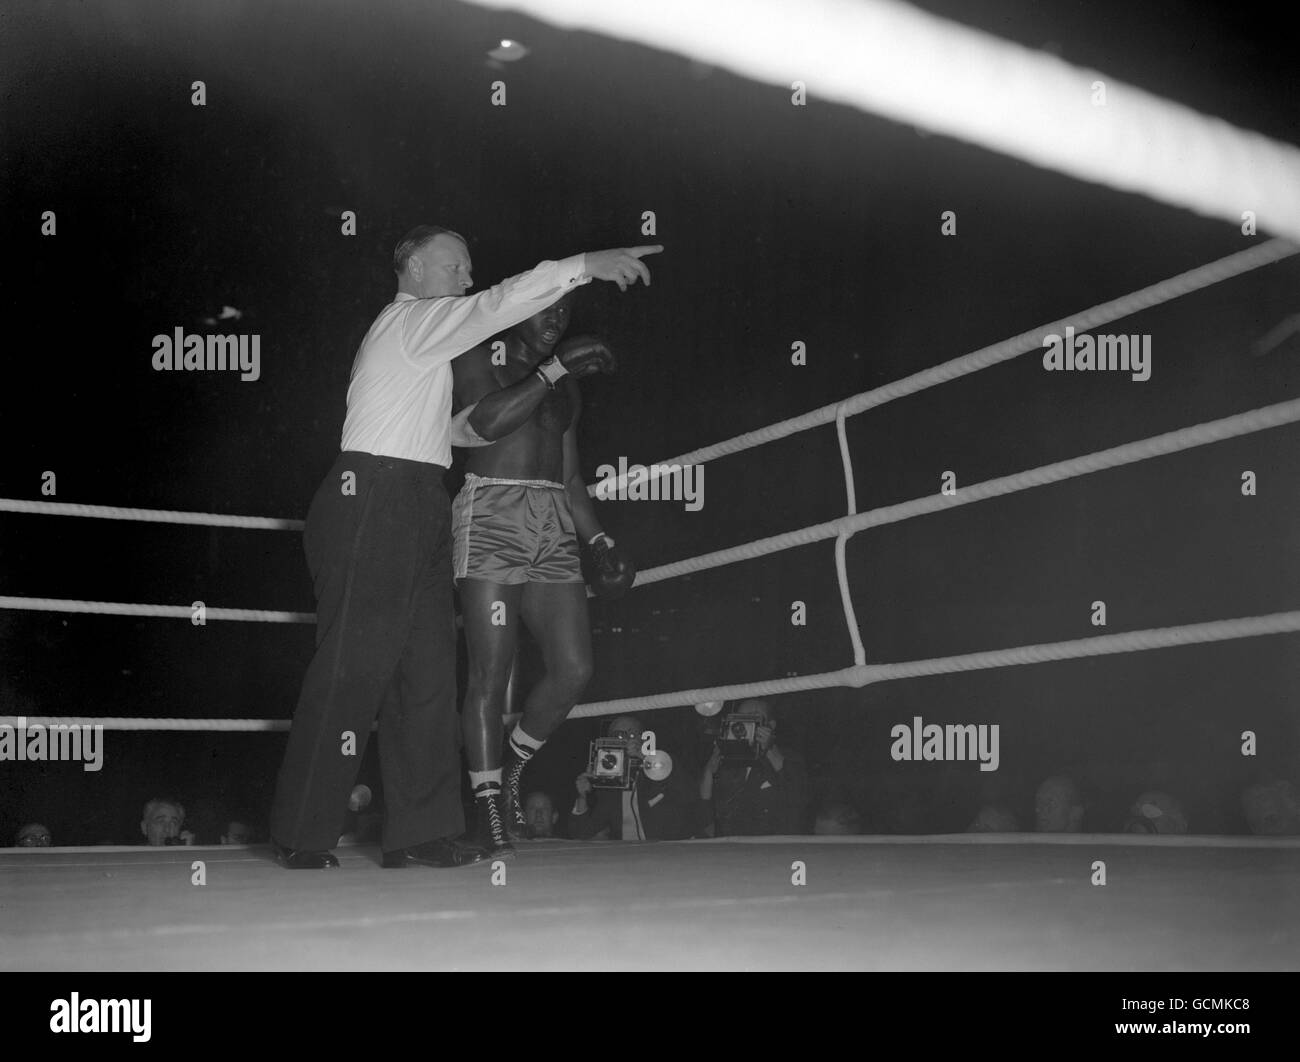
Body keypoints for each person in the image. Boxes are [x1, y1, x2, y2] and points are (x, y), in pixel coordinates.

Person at [268, 224, 663, 870]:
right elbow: (495, 305)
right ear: (414, 268)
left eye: (468, 269)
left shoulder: (424, 352)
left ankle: (419, 832)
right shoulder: (408, 321)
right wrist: (586, 263)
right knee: (352, 665)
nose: (464, 278)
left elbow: (455, 430)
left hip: (421, 494)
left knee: (426, 672)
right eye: (454, 265)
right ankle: (301, 830)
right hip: (373, 490)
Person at [450, 291, 636, 857]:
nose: (556, 319)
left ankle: (510, 771)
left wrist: (600, 540)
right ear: (516, 309)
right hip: (493, 511)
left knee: (575, 668)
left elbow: (572, 477)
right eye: (545, 308)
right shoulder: (480, 353)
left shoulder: (568, 380)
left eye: (565, 311)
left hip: (553, 516)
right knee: (490, 669)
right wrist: (557, 368)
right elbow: (488, 422)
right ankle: (487, 814)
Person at [568, 715, 698, 840]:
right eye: (618, 735)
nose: (625, 740)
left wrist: (644, 757)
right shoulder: (609, 785)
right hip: (633, 857)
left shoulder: (664, 764)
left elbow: (690, 794)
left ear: (644, 740)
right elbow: (581, 833)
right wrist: (582, 796)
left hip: (674, 850)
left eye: (632, 735)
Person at [699, 699, 807, 836]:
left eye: (753, 718)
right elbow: (705, 803)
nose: (744, 724)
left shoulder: (788, 758)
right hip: (731, 847)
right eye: (740, 718)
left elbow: (797, 797)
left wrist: (769, 749)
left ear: (771, 725)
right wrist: (709, 769)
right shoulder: (728, 760)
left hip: (771, 847)